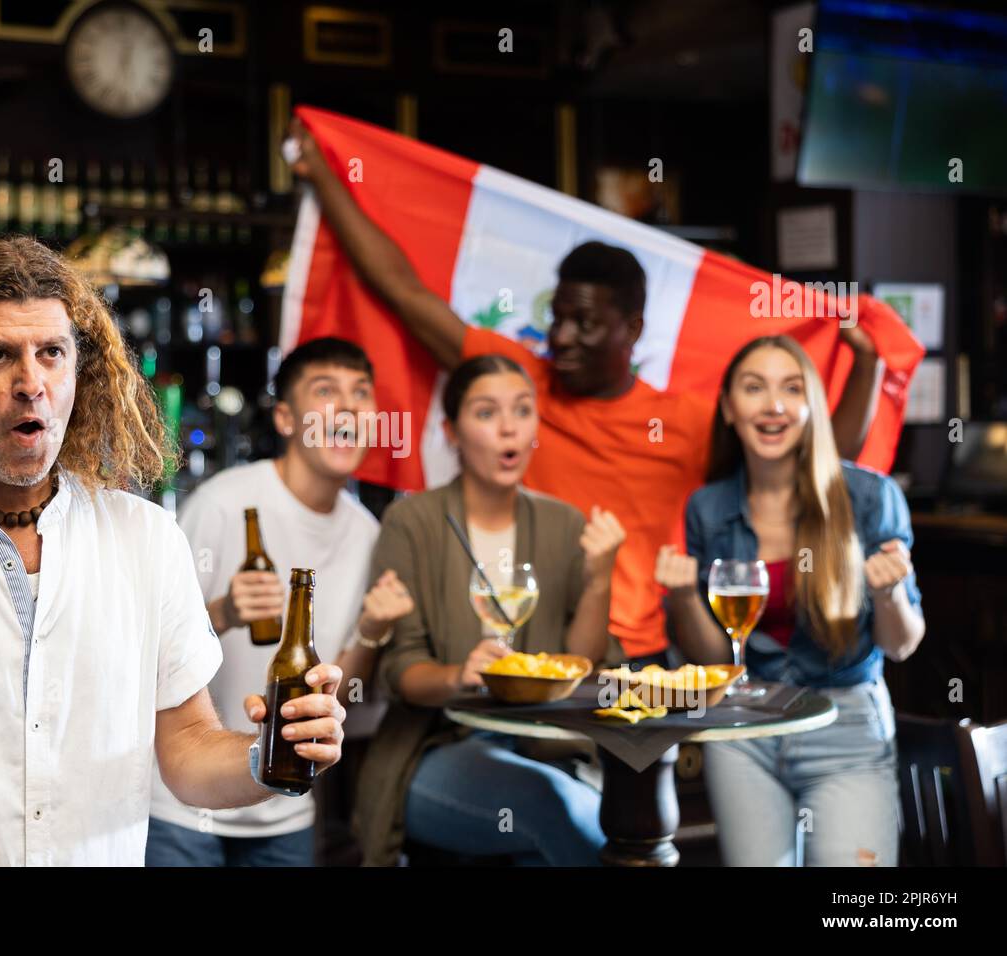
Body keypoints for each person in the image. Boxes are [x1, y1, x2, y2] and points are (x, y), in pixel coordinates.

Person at [0, 236, 346, 865]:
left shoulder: (146, 538)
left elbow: (186, 752)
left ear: (80, 372)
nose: (31, 384)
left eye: (52, 353)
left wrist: (272, 751)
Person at [287, 118, 884, 666]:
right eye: (558, 317)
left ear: (633, 330)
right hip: (537, 645)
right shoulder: (520, 387)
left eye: (586, 323)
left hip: (648, 655)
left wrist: (866, 361)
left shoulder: (686, 420)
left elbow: (821, 454)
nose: (563, 337)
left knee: (640, 780)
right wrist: (326, 176)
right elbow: (406, 294)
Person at [655, 334, 924, 867]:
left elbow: (902, 646)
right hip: (742, 728)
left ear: (812, 407)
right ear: (730, 408)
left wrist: (888, 593)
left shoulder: (870, 497)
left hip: (845, 728)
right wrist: (683, 598)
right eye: (754, 388)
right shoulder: (707, 508)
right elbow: (713, 662)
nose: (773, 405)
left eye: (791, 388)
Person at [146, 336, 413, 867]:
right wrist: (222, 612)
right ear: (288, 419)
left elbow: (341, 698)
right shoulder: (223, 503)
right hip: (181, 807)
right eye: (326, 390)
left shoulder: (367, 534)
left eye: (360, 393)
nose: (347, 407)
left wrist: (372, 631)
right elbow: (146, 650)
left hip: (286, 808)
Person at [354, 354, 626, 866]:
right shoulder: (411, 522)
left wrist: (599, 579)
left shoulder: (562, 522)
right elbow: (401, 673)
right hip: (433, 748)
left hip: (541, 745)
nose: (509, 428)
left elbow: (582, 664)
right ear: (451, 431)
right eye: (486, 413)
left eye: (522, 410)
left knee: (576, 813)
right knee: (557, 808)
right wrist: (462, 674)